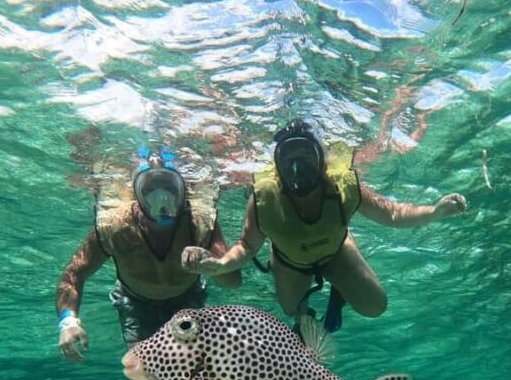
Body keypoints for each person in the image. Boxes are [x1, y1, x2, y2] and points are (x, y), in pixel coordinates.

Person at [181, 120, 467, 332]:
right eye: (288, 159)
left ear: (321, 161)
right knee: (294, 311)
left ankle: (339, 289)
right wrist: (219, 265)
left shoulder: (343, 187)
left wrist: (435, 211)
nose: (297, 168)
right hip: (289, 261)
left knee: (375, 306)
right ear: (277, 166)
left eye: (305, 157)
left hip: (337, 250)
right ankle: (321, 299)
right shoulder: (264, 199)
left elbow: (391, 214)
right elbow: (246, 246)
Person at [56, 147, 240, 380]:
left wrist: (214, 266)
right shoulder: (116, 228)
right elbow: (73, 274)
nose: (162, 199)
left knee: (193, 375)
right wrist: (68, 322)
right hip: (136, 302)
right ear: (137, 196)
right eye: (151, 189)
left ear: (183, 192)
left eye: (169, 188)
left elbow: (233, 281)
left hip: (187, 299)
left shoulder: (200, 224)